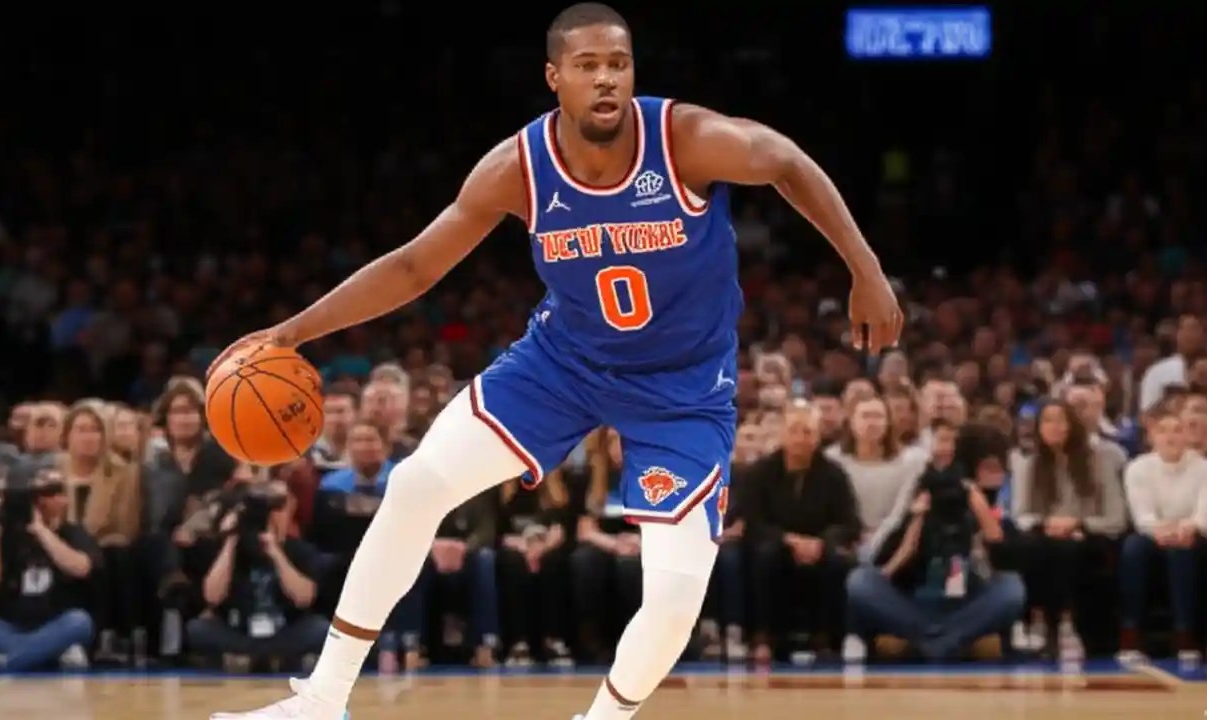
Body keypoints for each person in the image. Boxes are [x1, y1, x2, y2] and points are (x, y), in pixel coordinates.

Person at [208, 4, 902, 719]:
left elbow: (785, 160)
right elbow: (415, 267)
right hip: (562, 365)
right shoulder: (518, 168)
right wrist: (289, 334)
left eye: (619, 64)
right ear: (554, 78)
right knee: (415, 484)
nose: (606, 80)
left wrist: (866, 269)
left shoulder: (683, 139)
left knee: (670, 599)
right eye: (587, 66)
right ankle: (322, 699)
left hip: (682, 386)